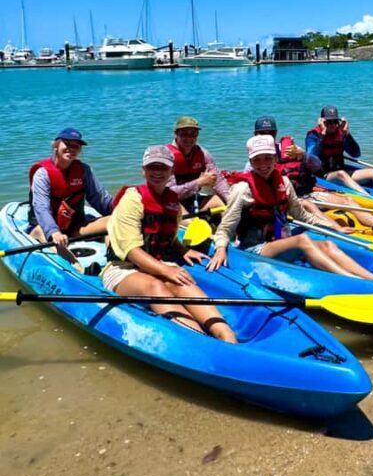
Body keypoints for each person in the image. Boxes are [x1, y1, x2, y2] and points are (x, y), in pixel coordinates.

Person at [207, 135, 373, 284]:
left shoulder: (283, 183)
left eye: (267, 158)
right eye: (257, 160)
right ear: (250, 162)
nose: (263, 165)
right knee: (303, 240)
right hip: (254, 249)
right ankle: (364, 283)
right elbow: (226, 228)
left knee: (328, 245)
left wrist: (333, 227)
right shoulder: (242, 189)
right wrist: (220, 249)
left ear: (275, 159)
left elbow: (302, 215)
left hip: (279, 241)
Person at [102, 145, 237, 342]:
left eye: (163, 168)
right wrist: (166, 271)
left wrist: (182, 251)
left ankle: (227, 336)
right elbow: (131, 251)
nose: (157, 172)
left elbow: (168, 235)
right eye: (152, 167)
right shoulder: (132, 200)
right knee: (155, 286)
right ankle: (202, 341)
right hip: (124, 269)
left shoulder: (172, 201)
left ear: (171, 171)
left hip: (159, 263)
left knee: (185, 282)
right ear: (144, 170)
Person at [252, 115, 373, 229]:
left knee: (348, 201)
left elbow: (317, 166)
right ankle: (341, 231)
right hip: (291, 201)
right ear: (255, 135)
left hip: (307, 193)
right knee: (308, 205)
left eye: (271, 133)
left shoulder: (290, 150)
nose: (267, 136)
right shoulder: (253, 163)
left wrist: (304, 155)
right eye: (263, 133)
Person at [28, 128, 113, 264]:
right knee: (52, 239)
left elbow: (100, 199)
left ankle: (114, 261)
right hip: (46, 228)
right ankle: (78, 268)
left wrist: (123, 211)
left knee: (116, 221)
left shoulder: (84, 170)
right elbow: (41, 207)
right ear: (56, 145)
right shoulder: (42, 174)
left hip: (75, 226)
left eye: (76, 146)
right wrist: (53, 231)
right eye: (67, 143)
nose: (71, 149)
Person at [305, 105, 373, 200]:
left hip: (342, 172)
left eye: (335, 121)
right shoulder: (313, 136)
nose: (332, 125)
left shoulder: (340, 133)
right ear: (322, 122)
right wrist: (323, 135)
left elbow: (356, 154)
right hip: (323, 176)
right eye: (329, 122)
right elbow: (312, 158)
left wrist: (347, 134)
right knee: (341, 174)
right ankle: (371, 199)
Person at [165, 116, 230, 214]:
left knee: (222, 204)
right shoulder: (167, 156)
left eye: (193, 134)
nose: (189, 138)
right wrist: (199, 183)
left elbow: (219, 180)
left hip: (192, 198)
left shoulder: (203, 153)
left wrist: (230, 201)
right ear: (175, 134)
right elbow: (170, 194)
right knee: (183, 215)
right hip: (170, 201)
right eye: (184, 134)